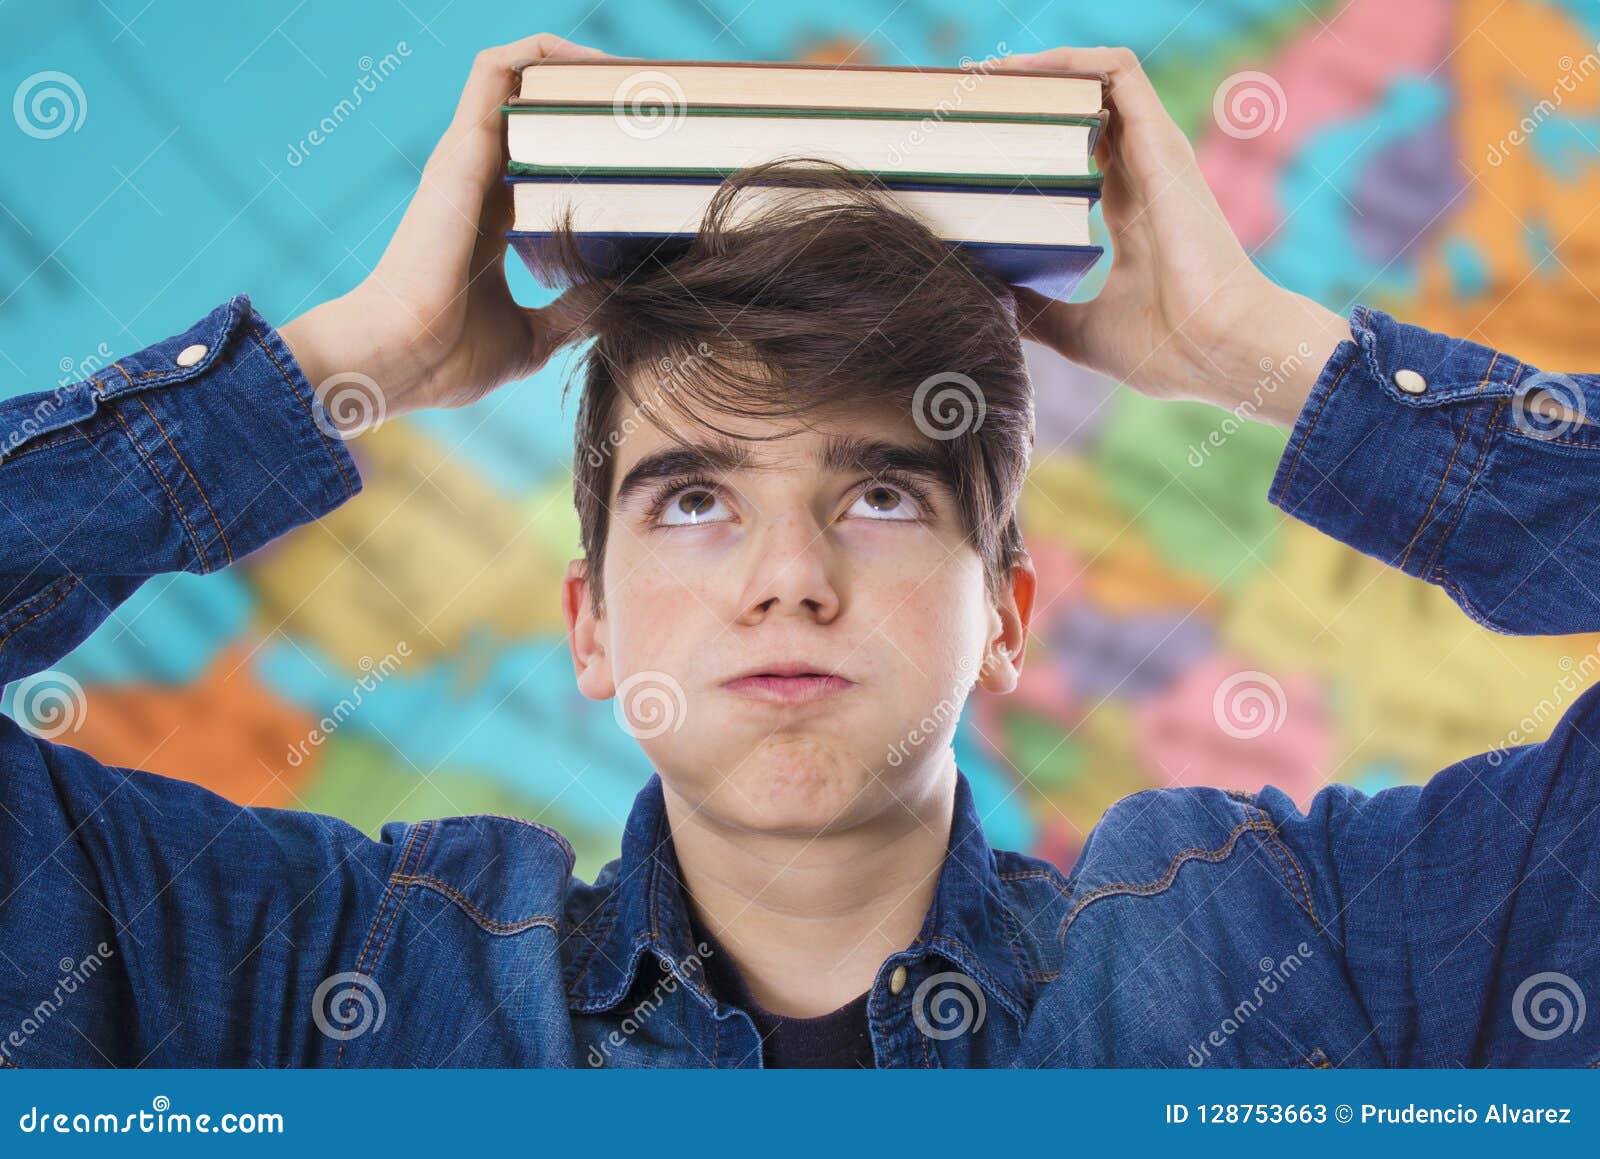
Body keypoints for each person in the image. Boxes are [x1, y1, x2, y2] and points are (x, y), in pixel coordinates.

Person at [0, 33, 1595, 1069]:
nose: (790, 577)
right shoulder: (327, 984)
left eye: (883, 494)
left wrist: (1271, 358)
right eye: (693, 498)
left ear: (1007, 614)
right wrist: (350, 364)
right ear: (592, 626)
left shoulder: (1293, 948)